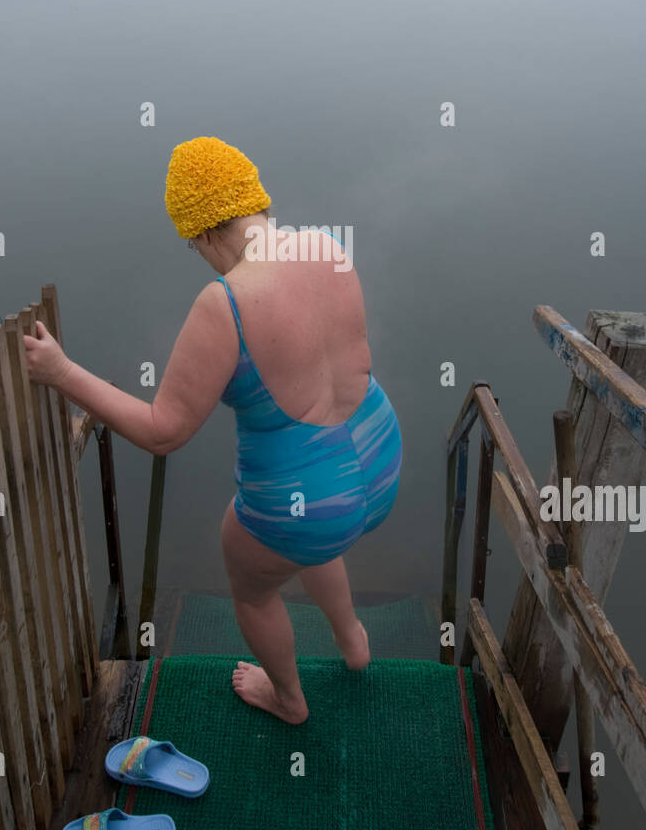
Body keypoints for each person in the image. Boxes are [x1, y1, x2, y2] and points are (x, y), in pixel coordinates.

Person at [23, 136, 402, 724]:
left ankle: (290, 700)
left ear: (200, 234)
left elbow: (162, 432)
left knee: (254, 582)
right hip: (378, 458)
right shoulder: (329, 247)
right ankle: (354, 644)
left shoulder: (223, 305)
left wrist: (62, 371)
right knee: (308, 526)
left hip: (308, 503)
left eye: (192, 245)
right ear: (255, 200)